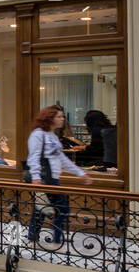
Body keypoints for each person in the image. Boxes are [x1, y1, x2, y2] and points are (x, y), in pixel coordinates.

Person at [26, 105, 91, 245]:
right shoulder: (38, 134)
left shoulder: (53, 136)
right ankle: (54, 239)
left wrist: (80, 173)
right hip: (45, 178)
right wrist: (36, 177)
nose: (62, 119)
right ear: (49, 118)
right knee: (60, 208)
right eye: (59, 116)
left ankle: (34, 238)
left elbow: (62, 159)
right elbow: (34, 156)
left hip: (52, 178)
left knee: (41, 209)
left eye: (62, 116)